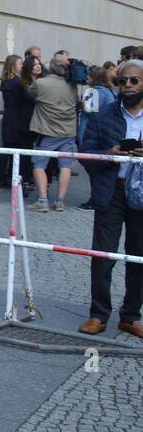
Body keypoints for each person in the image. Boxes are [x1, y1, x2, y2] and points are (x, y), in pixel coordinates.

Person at [79, 58, 143, 339]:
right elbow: (86, 151)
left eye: (134, 81)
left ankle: (130, 316)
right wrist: (112, 152)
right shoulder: (103, 113)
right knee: (102, 255)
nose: (127, 86)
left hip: (141, 193)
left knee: (138, 256)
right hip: (112, 190)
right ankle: (98, 314)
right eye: (122, 81)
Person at [28, 52, 79, 212]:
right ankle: (60, 201)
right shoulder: (73, 85)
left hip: (47, 131)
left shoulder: (41, 83)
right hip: (68, 132)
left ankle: (43, 200)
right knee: (65, 166)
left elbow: (31, 93)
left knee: (39, 165)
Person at [78, 65, 117, 209]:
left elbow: (92, 112)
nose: (86, 79)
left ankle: (96, 199)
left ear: (94, 78)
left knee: (93, 168)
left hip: (93, 134)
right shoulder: (110, 91)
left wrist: (82, 104)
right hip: (106, 134)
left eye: (88, 76)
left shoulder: (94, 91)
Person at [0, 54, 33, 190]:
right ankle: (13, 178)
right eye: (20, 63)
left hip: (8, 117)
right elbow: (29, 99)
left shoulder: (5, 82)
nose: (23, 65)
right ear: (13, 66)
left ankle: (2, 178)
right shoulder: (18, 82)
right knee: (16, 150)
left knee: (6, 149)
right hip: (18, 119)